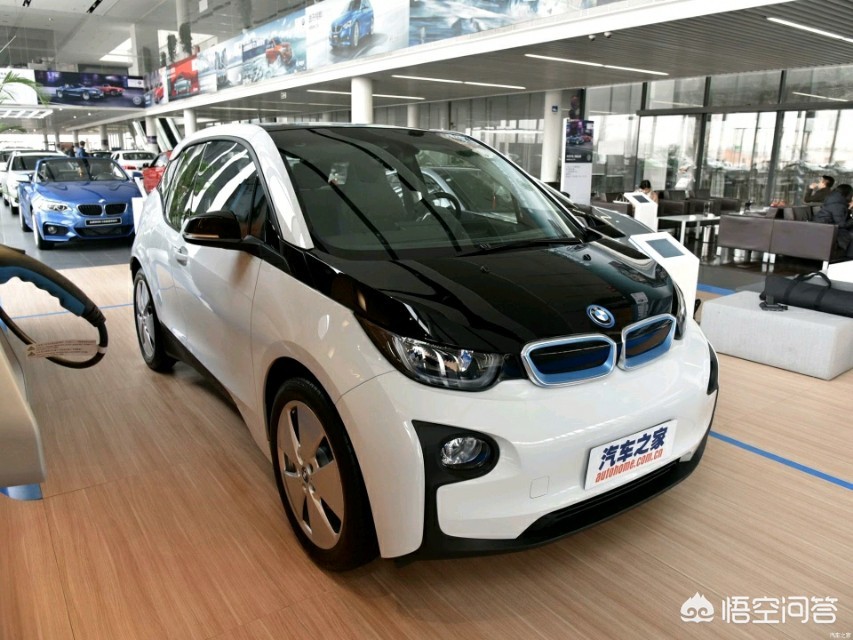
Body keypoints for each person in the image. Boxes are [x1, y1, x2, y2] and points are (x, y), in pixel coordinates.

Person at [813, 183, 853, 258]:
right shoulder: (838, 204)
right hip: (827, 230)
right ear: (848, 193)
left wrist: (849, 208)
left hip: (825, 228)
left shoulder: (836, 201)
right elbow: (842, 224)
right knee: (851, 234)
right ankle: (849, 258)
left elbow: (840, 217)